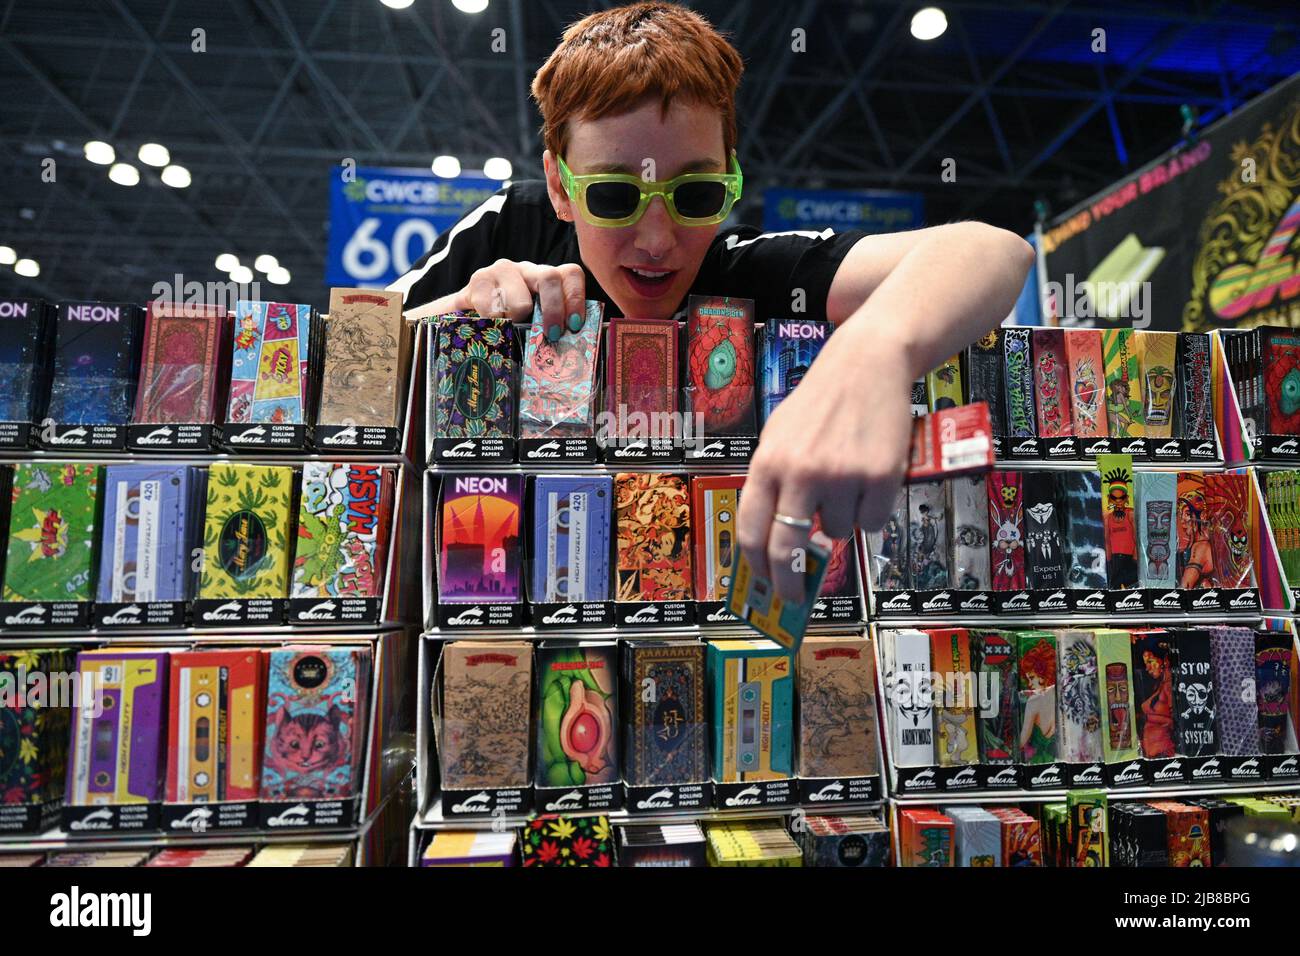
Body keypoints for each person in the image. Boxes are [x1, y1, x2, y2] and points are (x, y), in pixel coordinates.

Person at [391, 2, 1033, 602]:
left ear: (732, 182)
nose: (657, 241)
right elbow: (340, 357)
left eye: (695, 195)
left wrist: (872, 353)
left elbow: (995, 251)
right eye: (614, 197)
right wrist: (449, 323)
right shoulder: (511, 226)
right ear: (561, 186)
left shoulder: (743, 273)